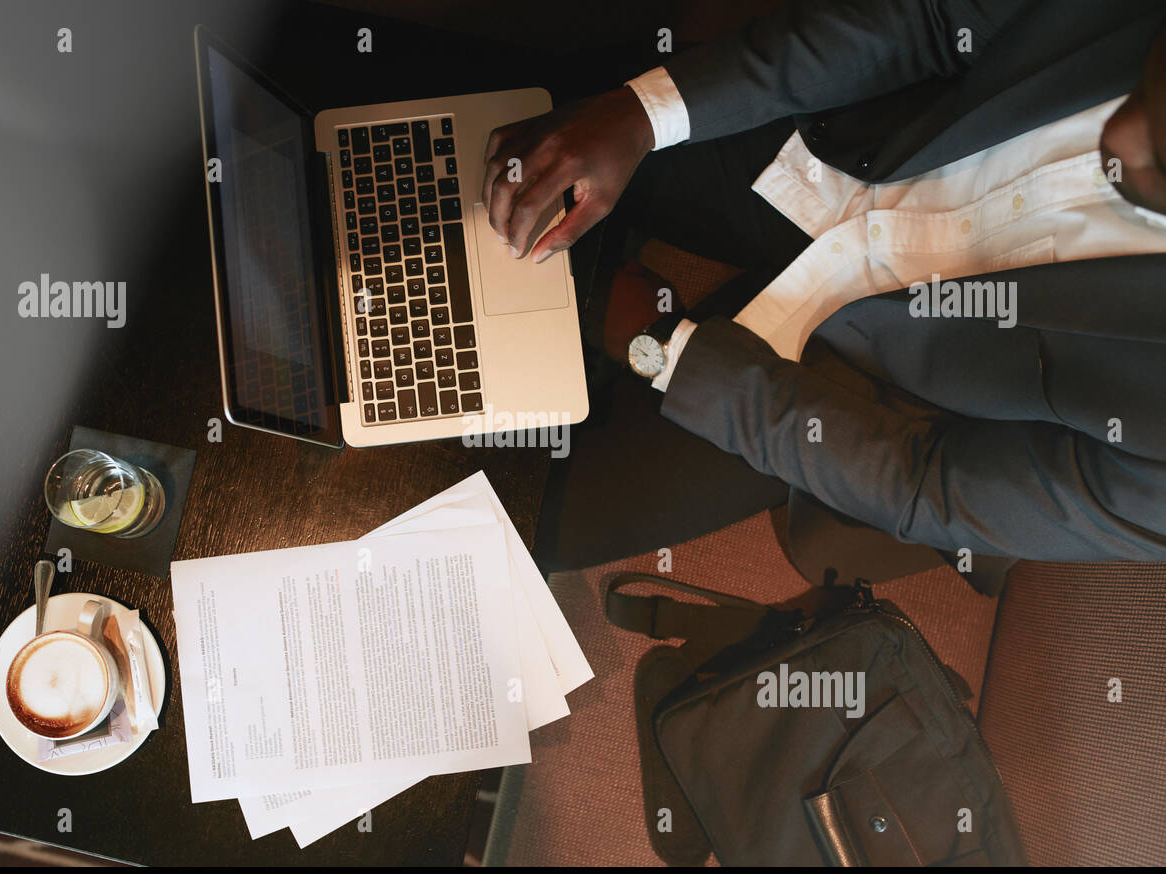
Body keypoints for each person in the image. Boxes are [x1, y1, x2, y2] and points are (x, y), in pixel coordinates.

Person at [482, 0, 1166, 580]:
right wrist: (643, 115)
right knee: (505, 130)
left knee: (513, 521)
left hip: (853, 378)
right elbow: (930, 19)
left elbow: (931, 488)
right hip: (846, 154)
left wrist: (659, 350)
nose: (1121, 137)